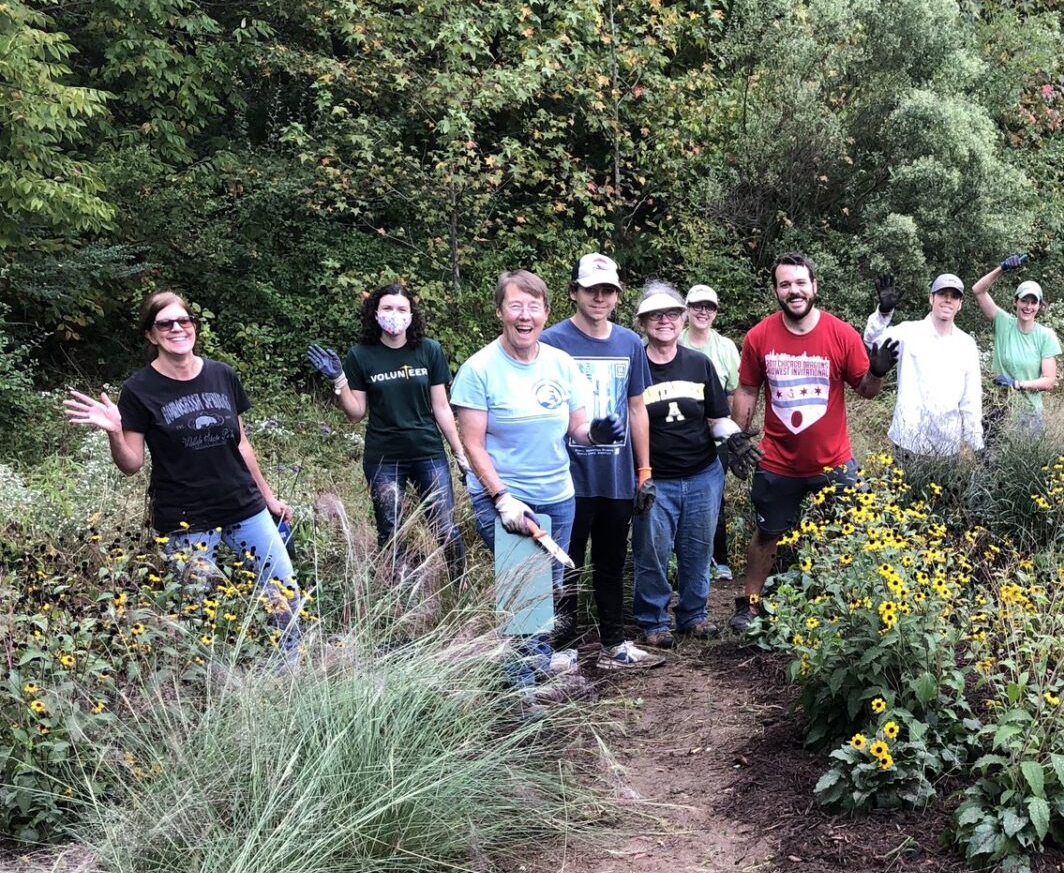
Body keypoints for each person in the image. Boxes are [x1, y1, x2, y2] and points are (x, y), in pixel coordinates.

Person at [64, 291, 302, 650]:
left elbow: (241, 443)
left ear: (194, 326)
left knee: (285, 594)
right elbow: (132, 465)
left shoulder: (222, 374)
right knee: (199, 612)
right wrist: (114, 432)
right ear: (150, 334)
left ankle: (291, 669)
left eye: (184, 321)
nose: (177, 328)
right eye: (165, 323)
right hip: (186, 519)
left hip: (244, 505)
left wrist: (269, 499)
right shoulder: (139, 389)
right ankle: (214, 687)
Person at [453, 269, 647, 685]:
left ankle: (535, 669)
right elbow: (474, 445)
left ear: (545, 313)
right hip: (506, 497)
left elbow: (576, 427)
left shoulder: (560, 363)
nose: (525, 316)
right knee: (528, 592)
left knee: (549, 588)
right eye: (516, 305)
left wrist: (595, 433)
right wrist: (502, 497)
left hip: (559, 495)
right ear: (500, 311)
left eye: (533, 307)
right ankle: (522, 691)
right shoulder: (479, 369)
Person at [729, 252, 886, 630]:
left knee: (849, 533)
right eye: (785, 284)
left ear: (814, 286)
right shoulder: (759, 336)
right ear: (776, 291)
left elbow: (866, 390)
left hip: (834, 461)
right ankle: (749, 604)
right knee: (767, 534)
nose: (794, 291)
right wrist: (735, 437)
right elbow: (748, 389)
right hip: (777, 462)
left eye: (800, 283)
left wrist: (878, 371)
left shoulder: (841, 333)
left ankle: (845, 606)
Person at [540, 253, 658, 672]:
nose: (599, 297)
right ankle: (561, 645)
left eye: (607, 290)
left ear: (617, 297)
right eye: (591, 289)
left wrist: (644, 471)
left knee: (611, 561)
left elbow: (637, 407)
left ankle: (614, 642)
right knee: (564, 563)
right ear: (574, 292)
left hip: (616, 473)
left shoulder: (628, 342)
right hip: (566, 476)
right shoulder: (552, 341)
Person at [308, 283, 467, 582]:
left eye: (401, 309)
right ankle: (398, 594)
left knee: (444, 526)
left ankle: (461, 585)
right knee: (391, 531)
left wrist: (460, 455)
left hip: (428, 453)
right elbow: (356, 413)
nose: (395, 314)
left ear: (411, 314)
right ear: (375, 313)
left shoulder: (429, 350)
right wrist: (339, 378)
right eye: (387, 308)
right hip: (384, 458)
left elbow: (442, 407)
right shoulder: (361, 355)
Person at [632, 282, 734, 646]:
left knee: (697, 547)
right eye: (655, 315)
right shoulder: (635, 365)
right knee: (653, 551)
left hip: (703, 473)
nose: (665, 321)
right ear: (643, 322)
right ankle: (653, 620)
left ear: (683, 318)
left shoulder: (699, 363)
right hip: (655, 476)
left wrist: (733, 437)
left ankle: (694, 614)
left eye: (672, 314)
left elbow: (716, 418)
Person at [862, 272, 984, 458]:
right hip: (907, 442)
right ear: (931, 298)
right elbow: (872, 342)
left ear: (960, 304)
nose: (948, 300)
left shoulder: (966, 344)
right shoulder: (908, 332)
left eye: (954, 296)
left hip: (946, 446)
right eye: (943, 294)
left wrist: (977, 445)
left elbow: (971, 399)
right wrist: (883, 313)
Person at [682, 283, 741, 582]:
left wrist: (733, 435)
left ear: (716, 312)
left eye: (709, 307)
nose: (703, 312)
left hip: (715, 435)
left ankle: (720, 559)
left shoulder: (725, 347)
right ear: (687, 309)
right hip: (675, 435)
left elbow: (733, 393)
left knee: (713, 498)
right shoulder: (671, 339)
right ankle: (681, 561)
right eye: (697, 306)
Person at [970, 254, 1060, 433]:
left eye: (1033, 302)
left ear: (1039, 306)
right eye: (1024, 300)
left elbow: (1049, 381)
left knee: (1024, 461)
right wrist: (1002, 269)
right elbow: (978, 290)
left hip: (1028, 414)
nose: (1028, 306)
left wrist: (1018, 384)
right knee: (989, 460)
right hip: (996, 408)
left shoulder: (1045, 336)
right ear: (1015, 302)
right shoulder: (1003, 322)